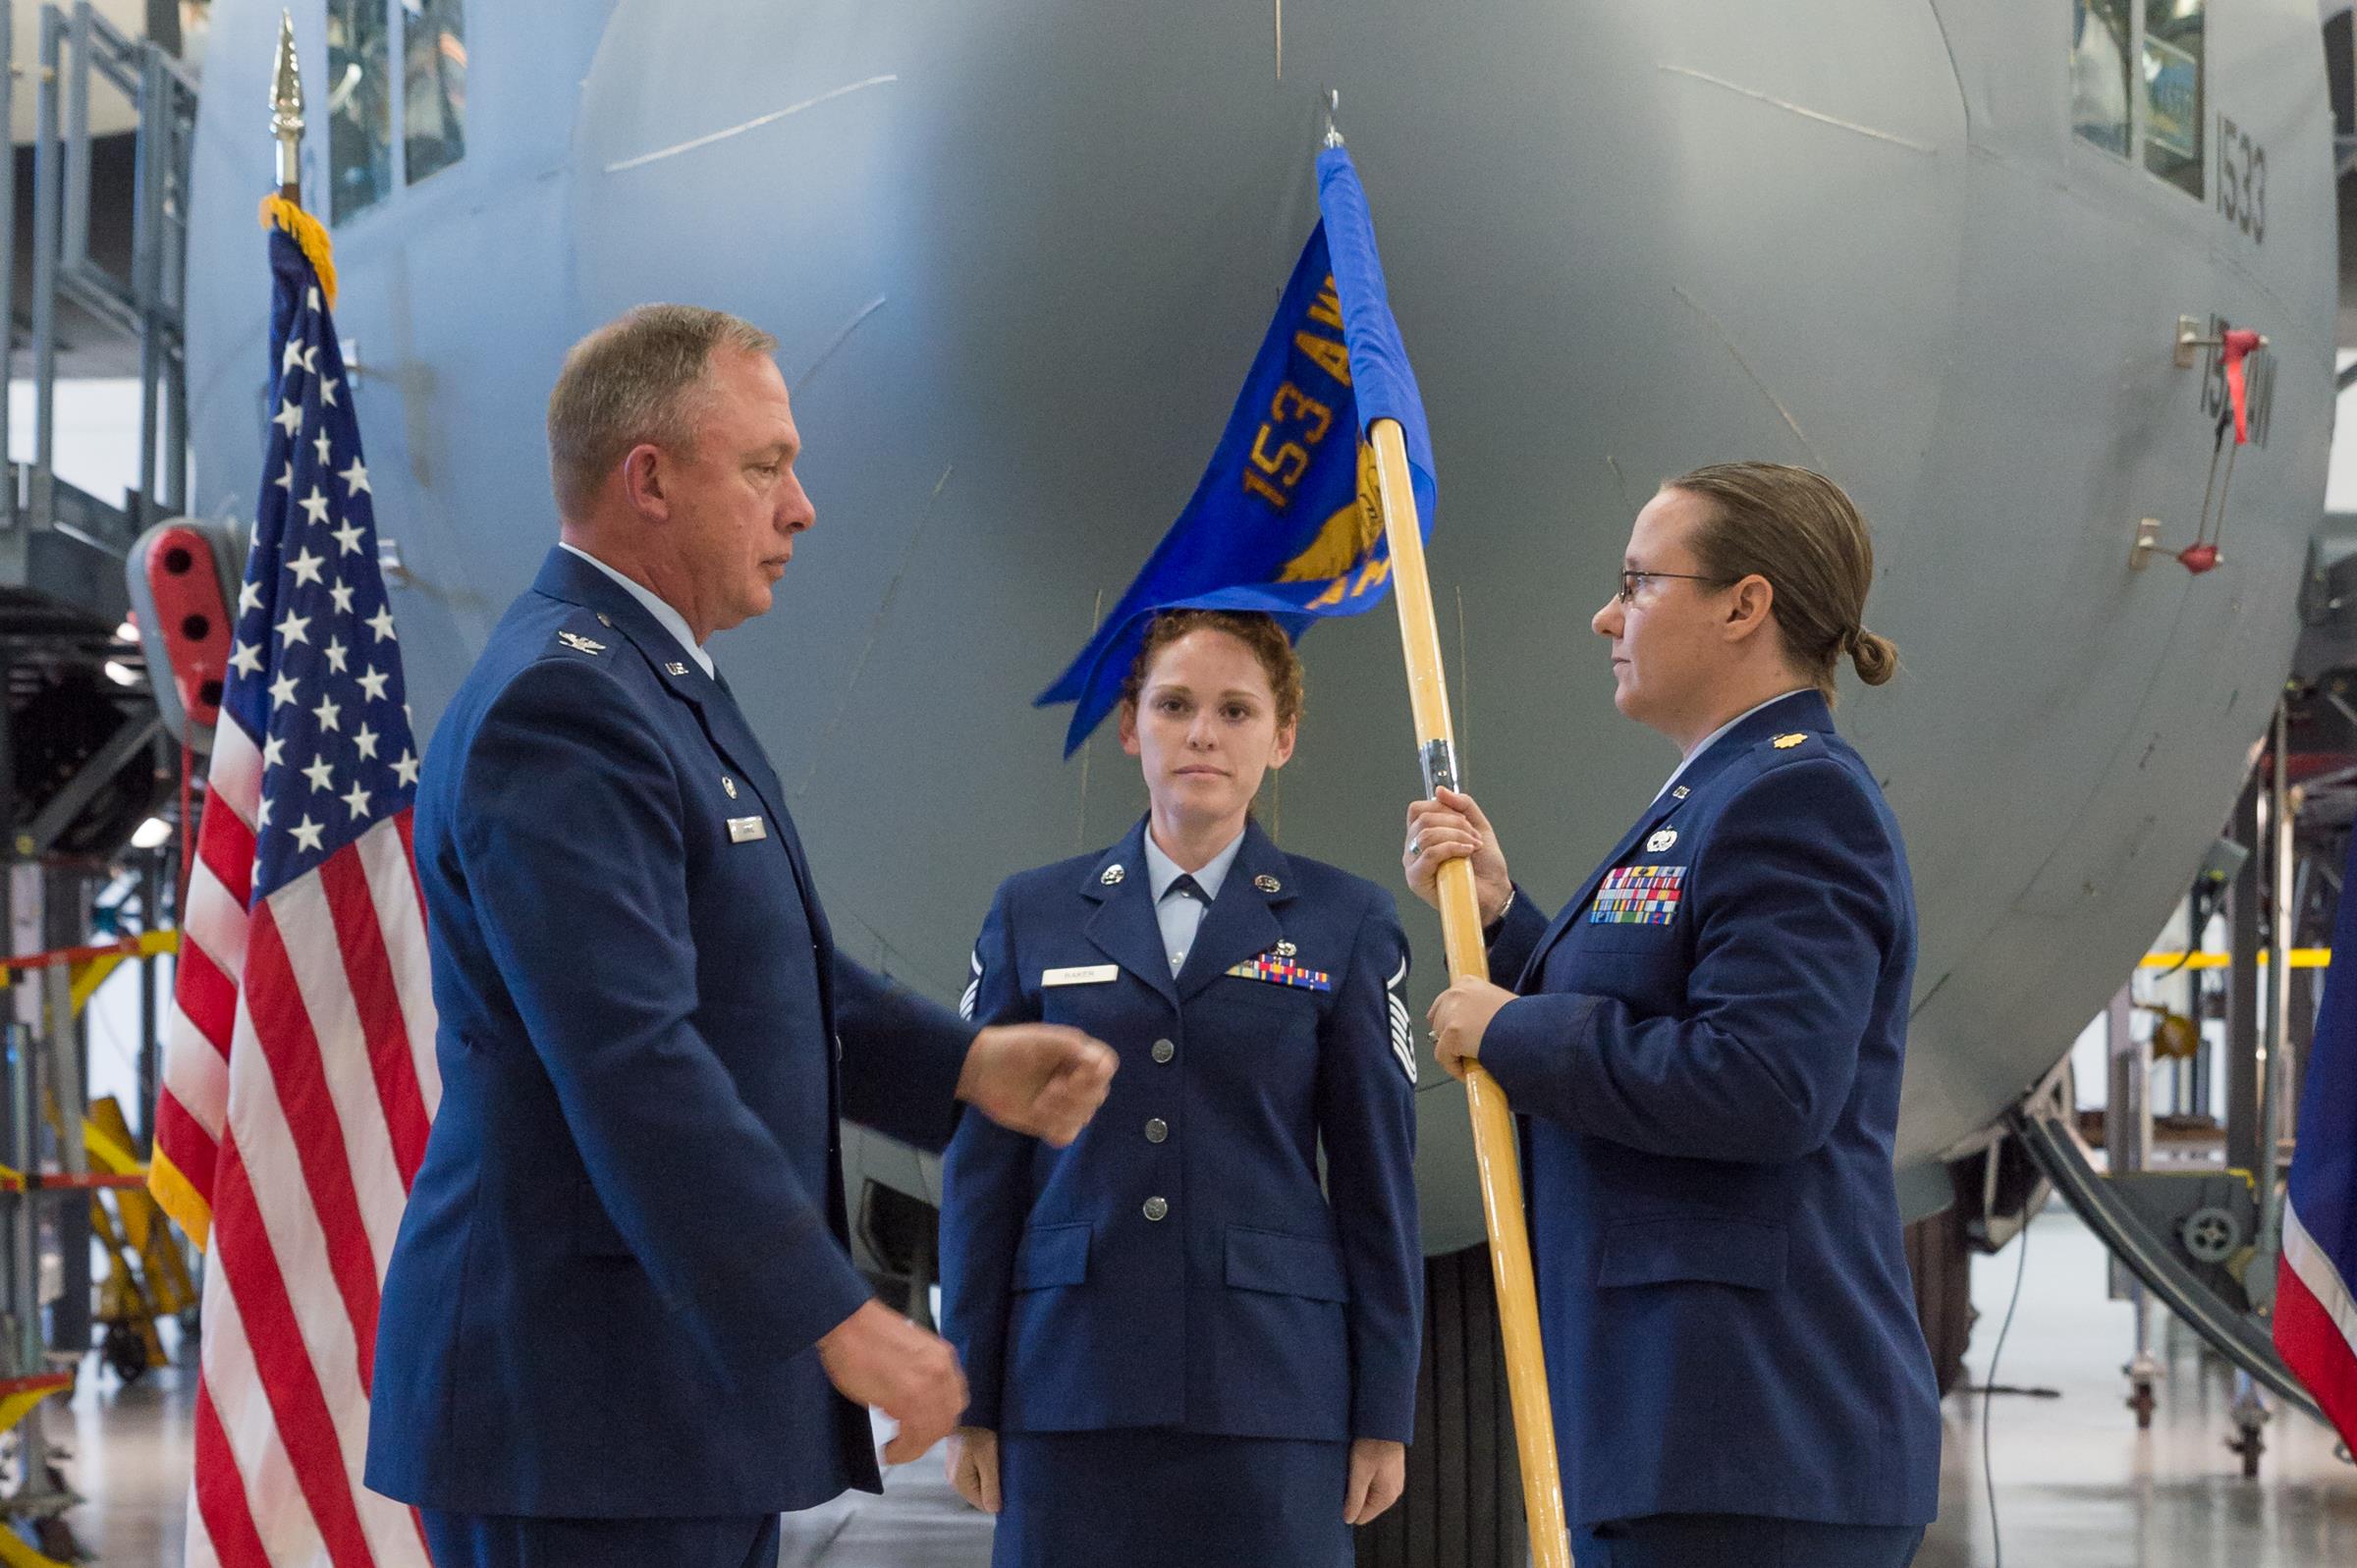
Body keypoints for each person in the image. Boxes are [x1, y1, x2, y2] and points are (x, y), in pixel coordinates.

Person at [363, 304, 1118, 1568]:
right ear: (648, 479)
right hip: (579, 1411)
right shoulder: (563, 705)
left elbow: (759, 972)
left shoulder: (656, 682)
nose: (802, 504)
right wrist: (836, 1310)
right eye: (765, 463)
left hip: (663, 1406)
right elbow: (630, 1056)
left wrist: (962, 1065)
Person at [1404, 462, 1940, 1568]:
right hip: (1677, 1434)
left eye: (1640, 583)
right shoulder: (1720, 791)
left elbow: (1763, 1083)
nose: (1607, 614)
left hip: (1747, 1435)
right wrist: (1505, 921)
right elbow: (1663, 999)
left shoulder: (1797, 798)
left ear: (1745, 605)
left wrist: (1508, 1030)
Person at [940, 609, 1422, 1568]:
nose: (1204, 731)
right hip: (1068, 1384)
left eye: (1237, 710)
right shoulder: (1031, 915)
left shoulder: (1346, 923)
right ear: (1130, 728)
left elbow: (1378, 1187)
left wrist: (1383, 1411)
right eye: (1175, 704)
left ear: (1281, 740)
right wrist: (969, 1395)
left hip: (1272, 1394)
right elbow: (982, 1170)